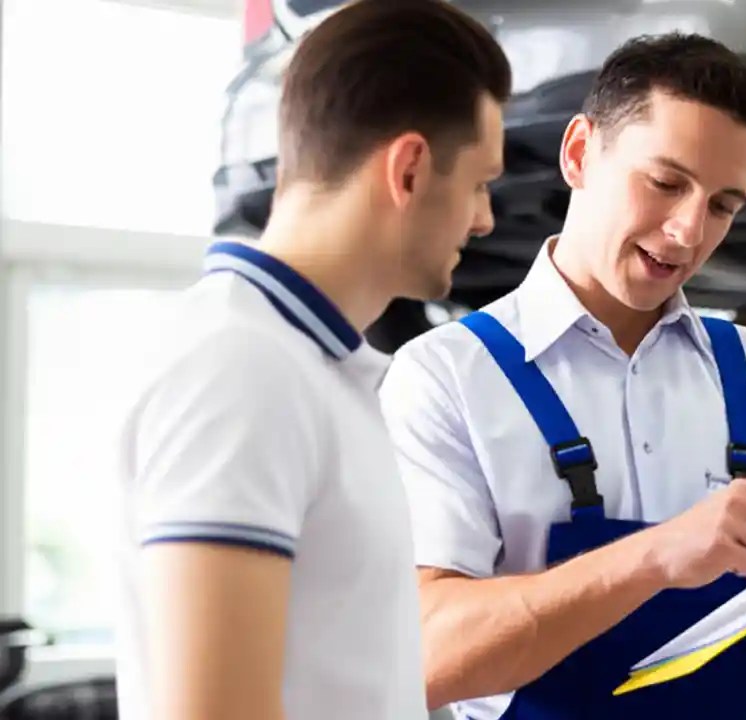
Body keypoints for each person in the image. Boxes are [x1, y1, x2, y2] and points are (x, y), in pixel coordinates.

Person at [379, 32, 746, 719]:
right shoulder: (446, 376)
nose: (688, 231)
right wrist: (657, 556)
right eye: (665, 183)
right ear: (579, 153)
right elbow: (429, 656)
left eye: (723, 205)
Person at [111, 2, 509, 718]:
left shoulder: (313, 370)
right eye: (480, 184)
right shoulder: (241, 369)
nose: (484, 220)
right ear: (410, 169)